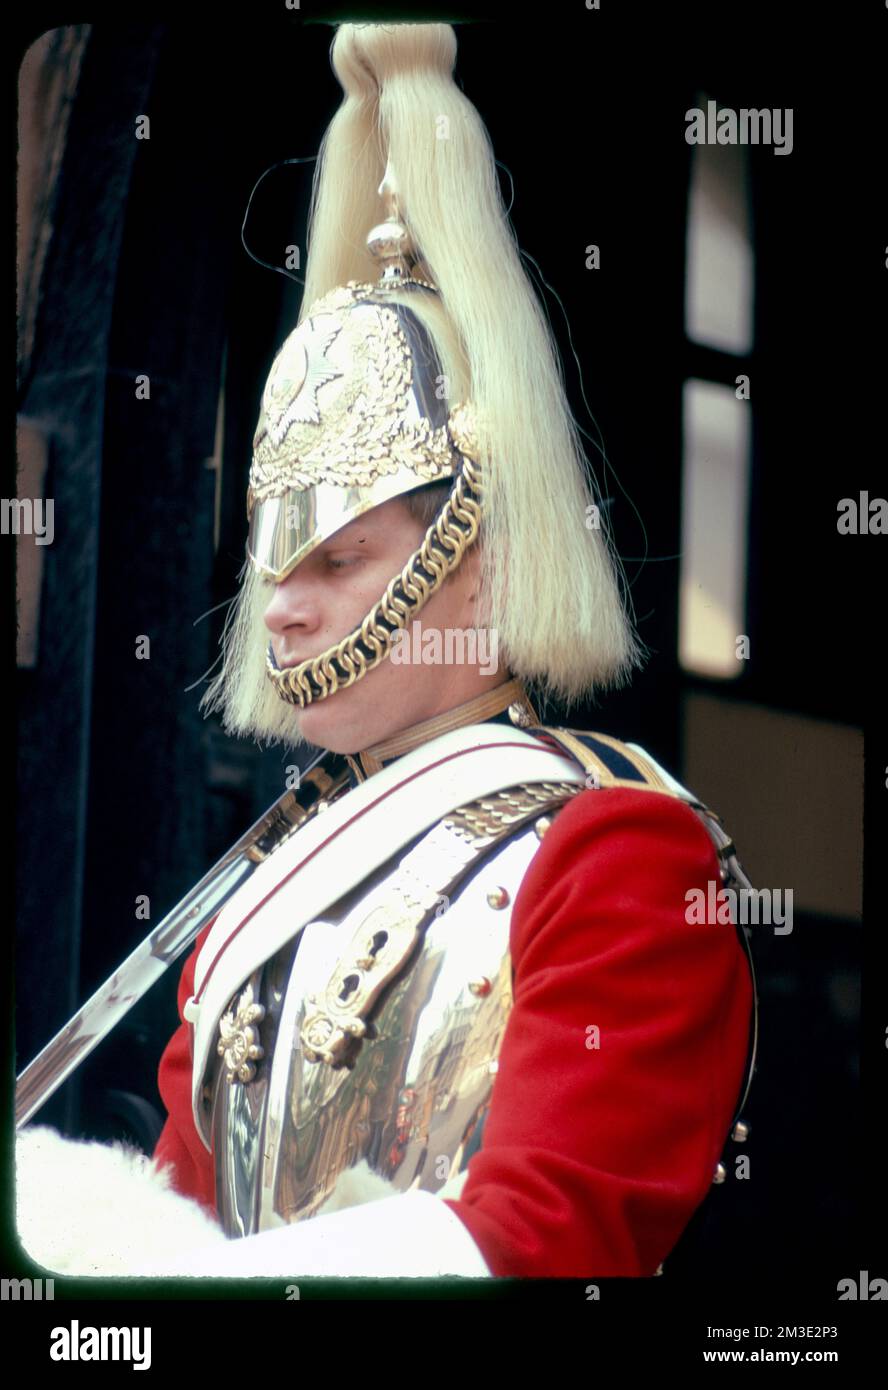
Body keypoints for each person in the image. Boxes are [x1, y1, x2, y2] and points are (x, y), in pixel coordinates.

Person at [16, 20, 756, 1281]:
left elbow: (544, 1245)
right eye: (276, 564)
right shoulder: (256, 898)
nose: (282, 611)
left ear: (484, 558)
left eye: (341, 559)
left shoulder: (618, 856)